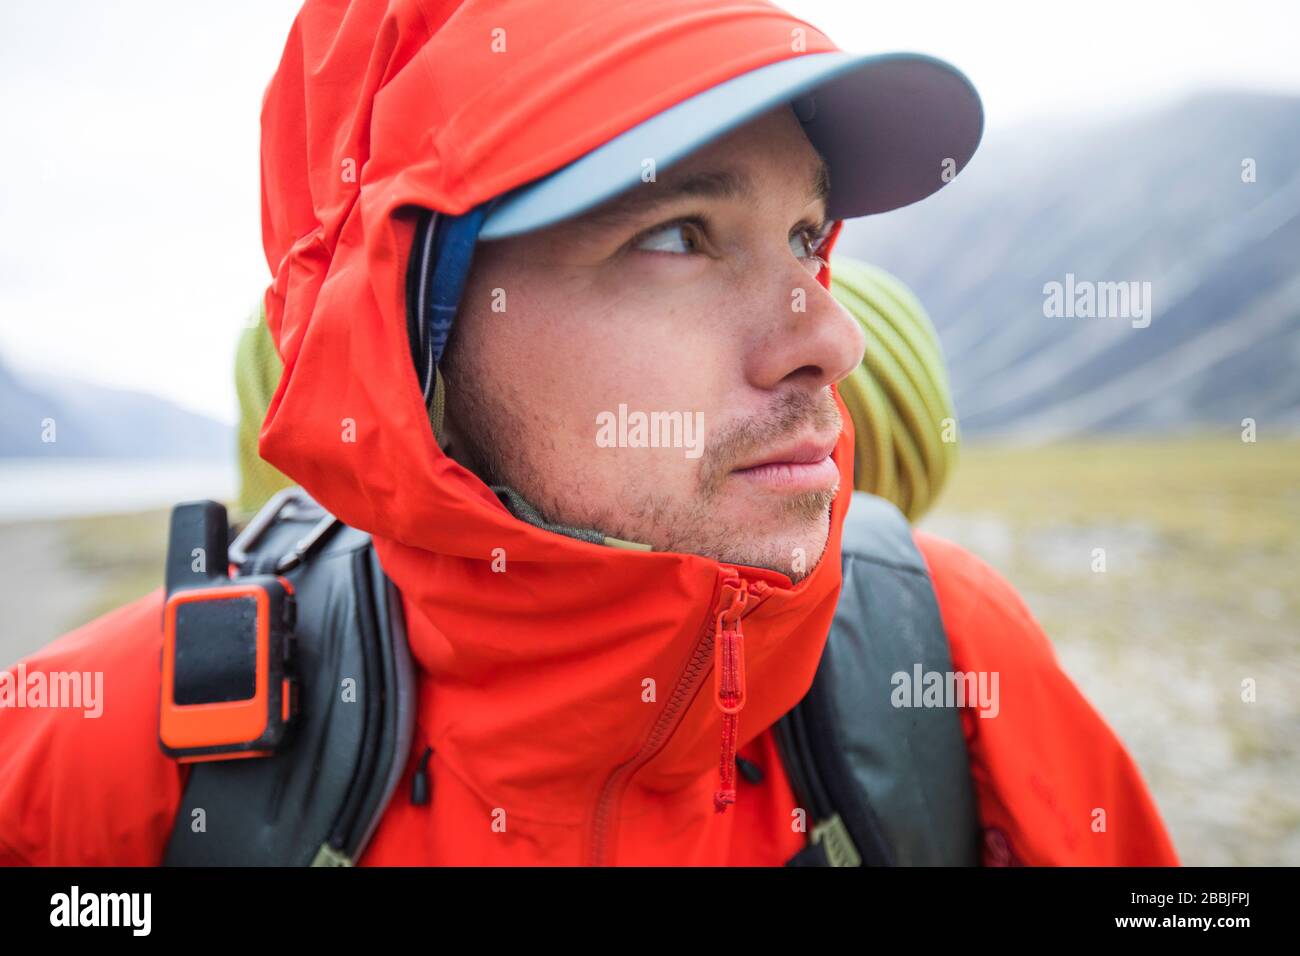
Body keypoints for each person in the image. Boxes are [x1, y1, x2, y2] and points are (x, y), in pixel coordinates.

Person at [0, 0, 1178, 866]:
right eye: (677, 235)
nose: (832, 338)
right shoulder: (108, 742)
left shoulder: (946, 650)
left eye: (804, 234)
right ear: (419, 334)